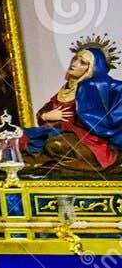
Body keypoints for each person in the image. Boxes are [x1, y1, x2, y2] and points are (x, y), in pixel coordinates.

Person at [21, 42, 122, 178]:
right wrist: (46, 116)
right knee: (17, 137)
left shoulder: (93, 88)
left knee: (55, 144)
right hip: (52, 130)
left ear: (92, 69)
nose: (75, 63)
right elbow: (44, 111)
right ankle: (32, 164)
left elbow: (101, 118)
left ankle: (45, 165)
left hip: (84, 137)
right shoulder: (65, 89)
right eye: (75, 59)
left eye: (83, 62)